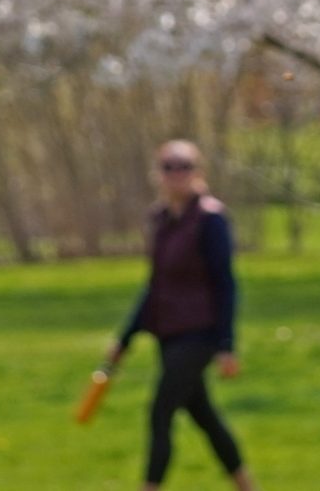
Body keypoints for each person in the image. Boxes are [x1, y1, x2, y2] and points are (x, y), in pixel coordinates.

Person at [109, 141, 259, 490]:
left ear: (198, 172)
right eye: (169, 167)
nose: (177, 174)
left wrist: (226, 344)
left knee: (160, 412)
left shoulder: (210, 219)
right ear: (158, 174)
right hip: (168, 332)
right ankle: (247, 486)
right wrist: (125, 339)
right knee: (204, 415)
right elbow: (156, 286)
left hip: (200, 332)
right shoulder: (161, 220)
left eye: (185, 166)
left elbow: (225, 283)